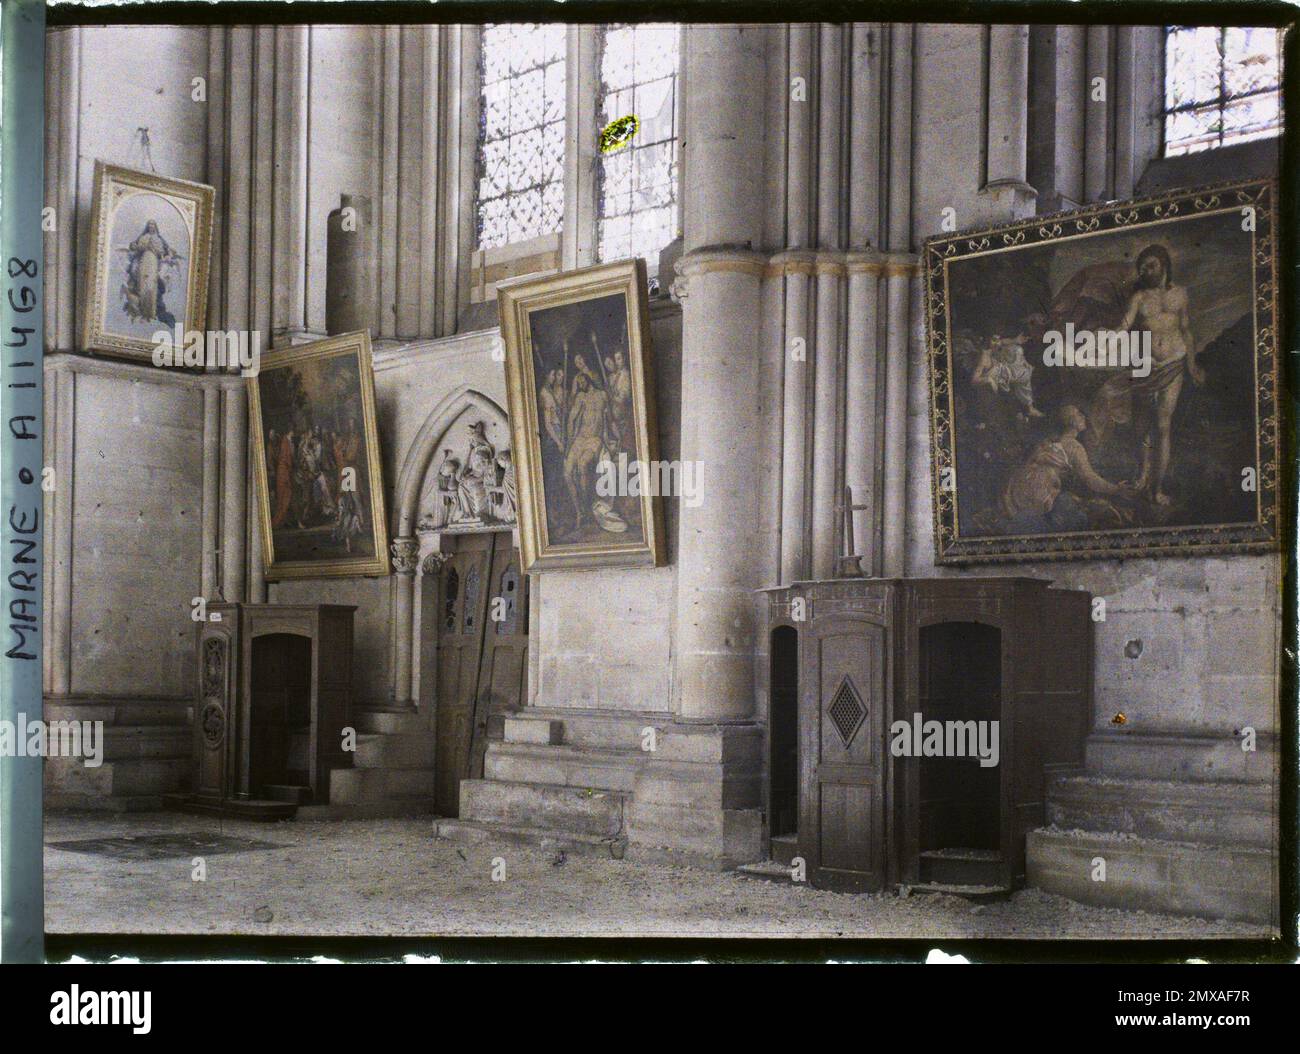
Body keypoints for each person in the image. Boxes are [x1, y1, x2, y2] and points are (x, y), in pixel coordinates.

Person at [1089, 244, 1202, 506]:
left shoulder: (1181, 294)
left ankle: (1157, 489)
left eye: (1151, 265)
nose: (1146, 270)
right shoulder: (1139, 298)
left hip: (1173, 364)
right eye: (1143, 267)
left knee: (1163, 427)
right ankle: (1142, 476)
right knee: (1142, 426)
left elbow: (1186, 330)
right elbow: (1124, 325)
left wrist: (1193, 365)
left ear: (1163, 264)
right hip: (1146, 366)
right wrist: (1105, 338)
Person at [1000, 404, 1134, 533]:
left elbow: (1028, 464)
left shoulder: (1048, 441)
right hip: (1040, 492)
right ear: (1071, 421)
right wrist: (1115, 489)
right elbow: (1090, 479)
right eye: (1078, 414)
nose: (1083, 416)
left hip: (1020, 487)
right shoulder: (1074, 447)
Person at [564, 373, 610, 531]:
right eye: (578, 382)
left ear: (589, 378)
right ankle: (579, 511)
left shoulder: (602, 395)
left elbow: (608, 420)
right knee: (567, 473)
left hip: (594, 439)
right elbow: (571, 419)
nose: (581, 383)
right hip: (579, 439)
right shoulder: (580, 397)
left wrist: (613, 439)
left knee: (583, 464)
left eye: (582, 379)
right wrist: (569, 444)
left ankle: (586, 506)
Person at [122, 220, 180, 325]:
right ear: (147, 227)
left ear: (155, 227)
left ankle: (150, 313)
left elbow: (166, 251)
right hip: (143, 262)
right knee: (142, 285)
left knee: (151, 286)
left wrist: (164, 253)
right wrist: (139, 247)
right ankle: (142, 312)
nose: (151, 227)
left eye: (153, 225)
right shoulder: (143, 237)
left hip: (153, 263)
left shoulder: (159, 238)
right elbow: (134, 246)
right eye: (149, 225)